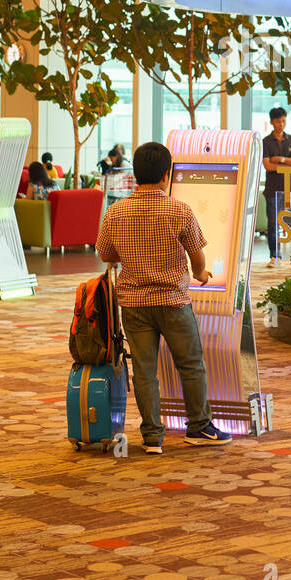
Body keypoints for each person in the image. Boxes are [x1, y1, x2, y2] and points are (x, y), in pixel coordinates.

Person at [95, 141, 232, 454]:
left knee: (144, 371)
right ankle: (198, 427)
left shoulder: (115, 212)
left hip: (133, 304)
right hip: (173, 302)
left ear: (136, 173)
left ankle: (152, 437)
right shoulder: (178, 209)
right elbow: (197, 258)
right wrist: (200, 274)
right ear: (166, 175)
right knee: (191, 365)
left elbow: (106, 254)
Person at [262, 107, 291, 268]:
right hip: (273, 189)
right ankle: (275, 257)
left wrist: (280, 159)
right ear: (271, 122)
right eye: (277, 121)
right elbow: (267, 165)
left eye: (283, 120)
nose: (281, 124)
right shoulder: (266, 141)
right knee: (273, 225)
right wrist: (285, 162)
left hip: (290, 189)